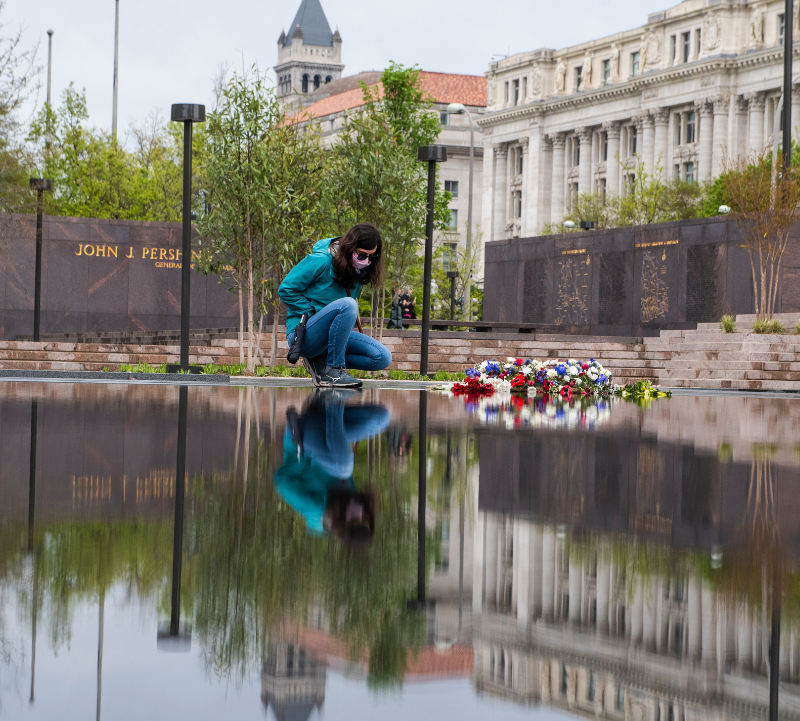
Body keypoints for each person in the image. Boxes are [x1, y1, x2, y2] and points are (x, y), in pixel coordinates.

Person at [279, 223, 392, 388]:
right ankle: (334, 370)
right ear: (349, 249)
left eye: (372, 257)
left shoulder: (357, 272)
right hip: (306, 335)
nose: (367, 261)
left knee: (382, 357)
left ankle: (321, 363)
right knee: (348, 304)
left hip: (331, 335)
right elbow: (286, 289)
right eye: (362, 255)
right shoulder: (321, 260)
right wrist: (311, 311)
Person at [275, 389, 390, 544]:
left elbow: (282, 482)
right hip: (326, 429)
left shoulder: (316, 509)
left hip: (302, 438)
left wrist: (301, 455)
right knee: (381, 418)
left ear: (343, 524)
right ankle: (326, 404)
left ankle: (334, 396)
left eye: (356, 519)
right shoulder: (348, 498)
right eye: (365, 516)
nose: (360, 513)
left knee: (344, 468)